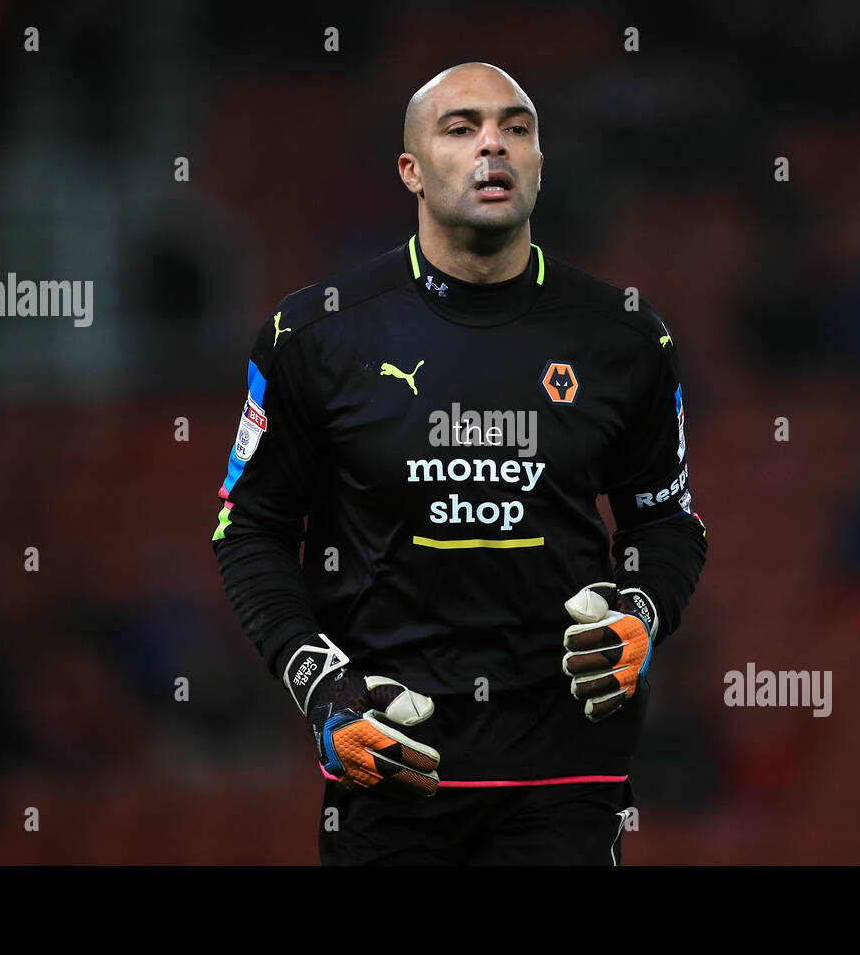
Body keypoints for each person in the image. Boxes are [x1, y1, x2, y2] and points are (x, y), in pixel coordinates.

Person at [212, 62, 707, 865]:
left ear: (541, 165)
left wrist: (641, 615)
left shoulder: (624, 336)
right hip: (392, 760)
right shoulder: (316, 336)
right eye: (461, 127)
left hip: (566, 774)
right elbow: (251, 529)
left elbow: (666, 521)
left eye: (517, 129)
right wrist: (318, 687)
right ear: (410, 169)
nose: (494, 146)